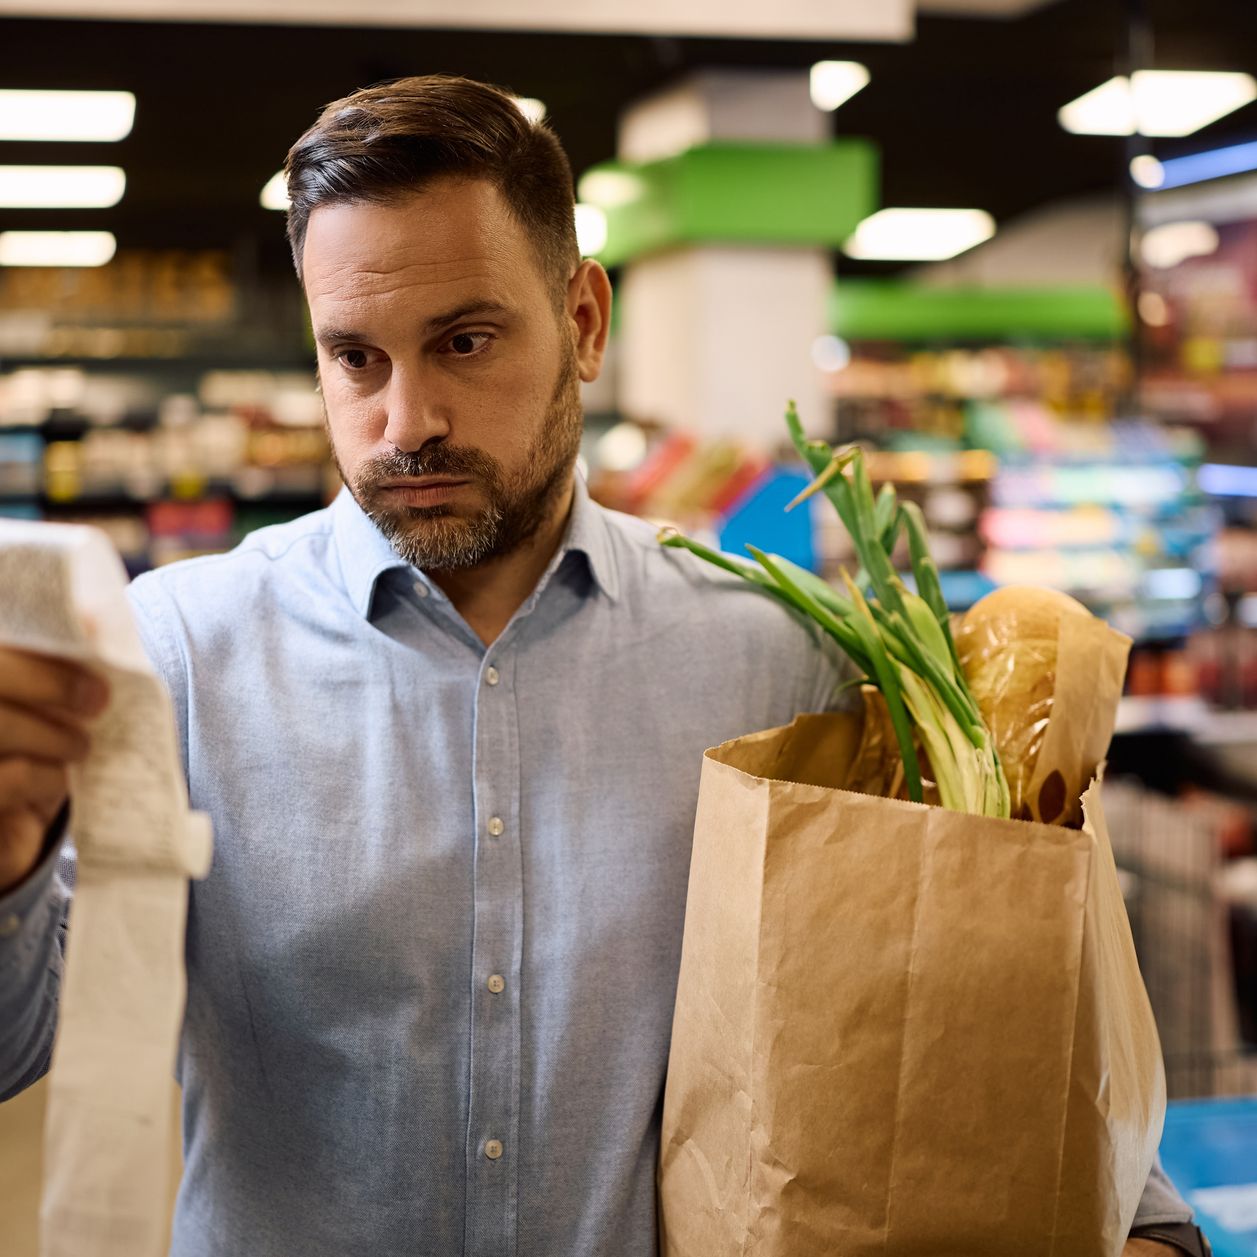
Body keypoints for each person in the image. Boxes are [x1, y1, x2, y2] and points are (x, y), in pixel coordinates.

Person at [0, 75, 1203, 1256]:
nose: (404, 418)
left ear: (583, 322)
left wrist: (1139, 1219)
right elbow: (21, 1045)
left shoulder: (779, 653)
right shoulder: (181, 651)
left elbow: (981, 982)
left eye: (463, 341)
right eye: (354, 359)